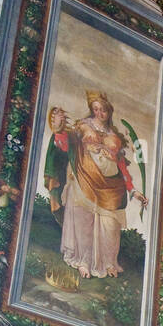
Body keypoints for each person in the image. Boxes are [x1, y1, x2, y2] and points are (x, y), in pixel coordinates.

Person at [56, 90, 147, 280]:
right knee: (84, 222)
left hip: (110, 187)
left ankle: (108, 262)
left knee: (110, 226)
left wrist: (133, 191)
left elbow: (122, 167)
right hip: (84, 179)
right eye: (96, 109)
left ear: (109, 111)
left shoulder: (114, 135)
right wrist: (58, 130)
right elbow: (66, 146)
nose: (99, 113)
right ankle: (84, 261)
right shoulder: (82, 126)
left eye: (103, 109)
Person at [43, 106, 70, 225]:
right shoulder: (55, 138)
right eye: (54, 116)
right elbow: (51, 159)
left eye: (59, 114)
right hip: (57, 175)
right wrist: (53, 178)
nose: (57, 117)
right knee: (56, 202)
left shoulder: (68, 135)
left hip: (66, 173)